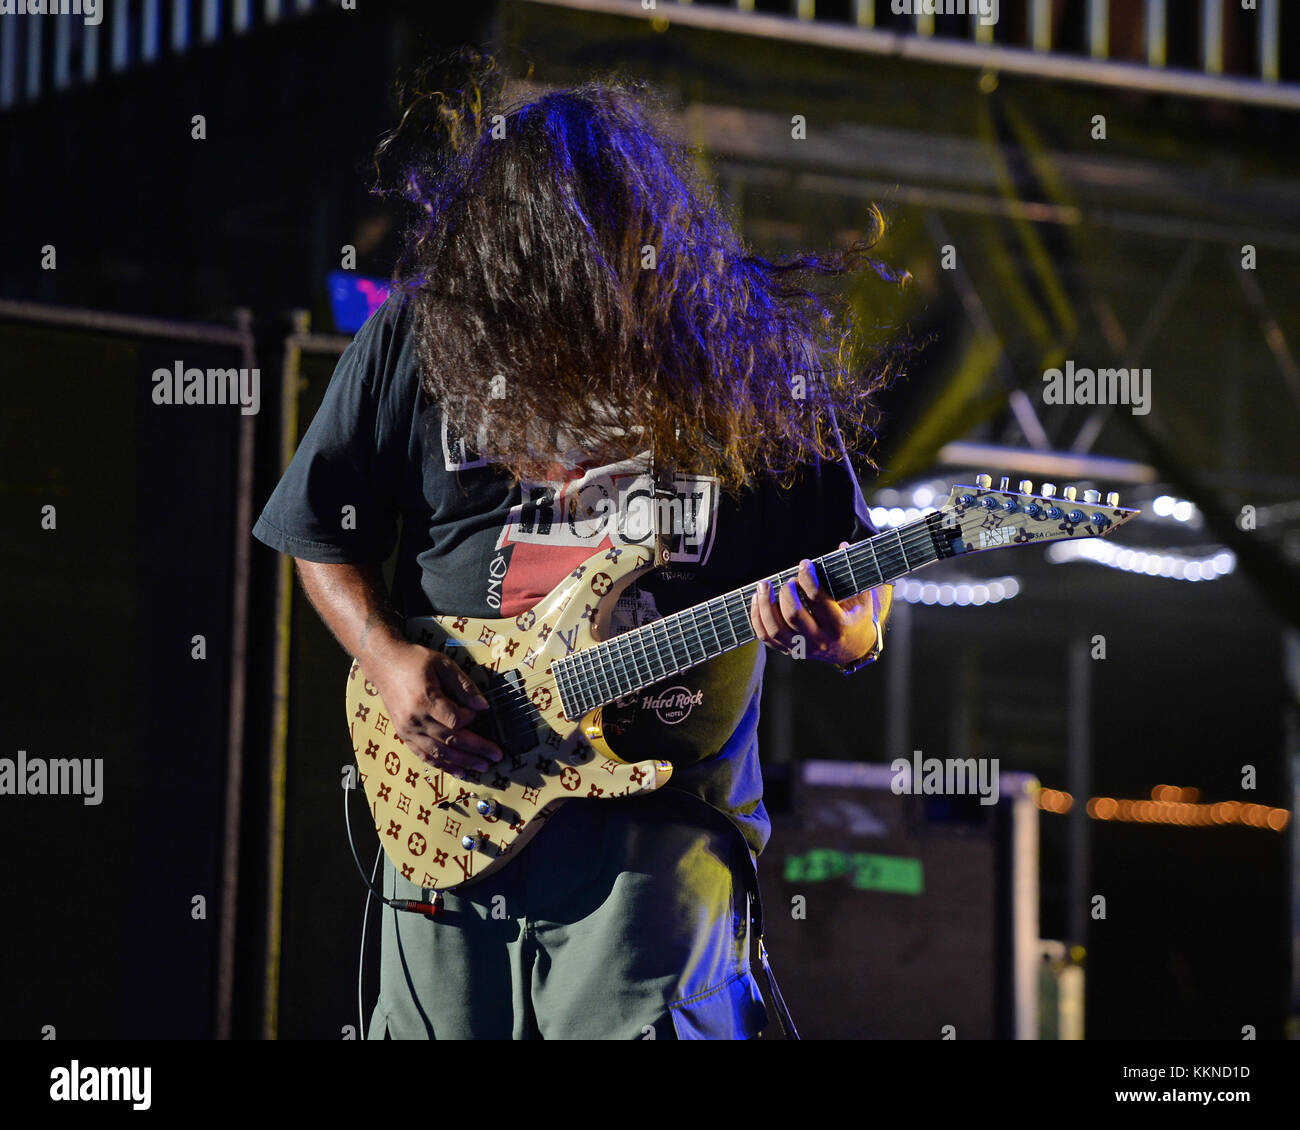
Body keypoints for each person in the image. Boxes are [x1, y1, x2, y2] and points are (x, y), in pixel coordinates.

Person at [252, 54, 903, 1040]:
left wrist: (836, 629)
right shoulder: (428, 337)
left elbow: (858, 604)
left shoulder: (750, 367)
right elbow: (314, 530)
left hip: (654, 829)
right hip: (448, 803)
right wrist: (387, 662)